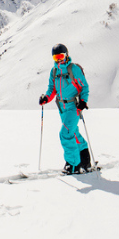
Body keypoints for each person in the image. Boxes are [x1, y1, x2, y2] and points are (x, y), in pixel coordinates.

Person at [39, 44, 93, 174]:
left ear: (66, 55)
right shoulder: (54, 71)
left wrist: (83, 102)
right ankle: (85, 160)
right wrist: (46, 98)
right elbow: (52, 89)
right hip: (62, 108)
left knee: (65, 134)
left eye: (61, 56)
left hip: (74, 107)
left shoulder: (73, 69)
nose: (59, 60)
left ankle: (73, 165)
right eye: (56, 57)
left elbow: (84, 87)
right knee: (73, 133)